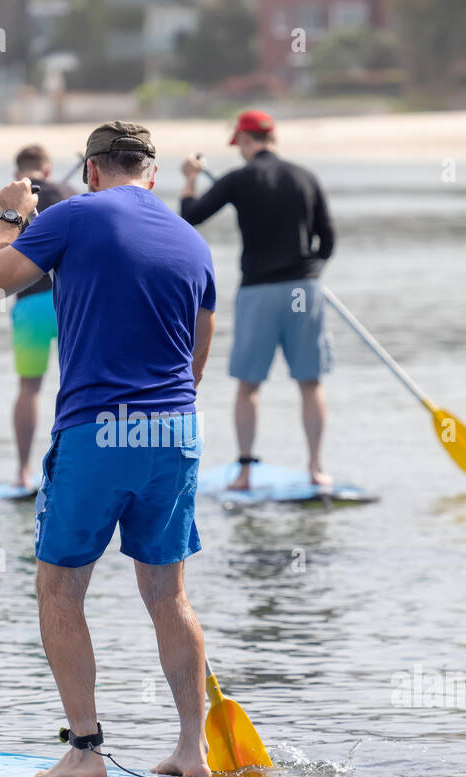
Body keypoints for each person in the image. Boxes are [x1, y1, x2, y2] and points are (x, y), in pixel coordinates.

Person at [0, 122, 217, 777]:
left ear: (94, 169)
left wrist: (8, 215)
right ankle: (193, 751)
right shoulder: (193, 240)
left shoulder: (72, 215)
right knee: (168, 595)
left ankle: (85, 751)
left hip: (97, 431)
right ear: (153, 174)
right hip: (175, 432)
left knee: (59, 587)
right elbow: (201, 346)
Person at [180, 109, 336, 491]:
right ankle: (316, 469)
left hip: (258, 291)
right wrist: (310, 272)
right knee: (310, 382)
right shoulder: (305, 177)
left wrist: (189, 180)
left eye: (240, 144)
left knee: (249, 386)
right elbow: (327, 239)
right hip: (304, 289)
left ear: (246, 140)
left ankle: (246, 472)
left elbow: (191, 217)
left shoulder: (239, 180)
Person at [0, 144, 77, 490]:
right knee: (77, 384)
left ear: (16, 177)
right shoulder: (71, 195)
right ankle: (73, 470)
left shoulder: (9, 203)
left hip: (30, 306)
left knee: (29, 389)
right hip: (73, 305)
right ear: (48, 170)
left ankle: (23, 471)